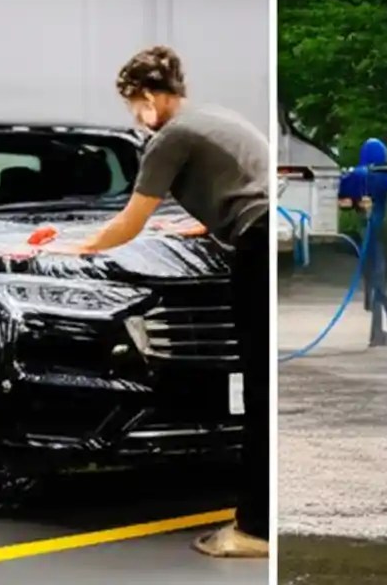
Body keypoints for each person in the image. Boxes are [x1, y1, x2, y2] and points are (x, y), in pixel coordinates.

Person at [48, 45, 270, 558]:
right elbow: (245, 184)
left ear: (147, 97)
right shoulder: (214, 117)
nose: (136, 119)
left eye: (132, 107)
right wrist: (204, 222)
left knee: (256, 392)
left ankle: (255, 529)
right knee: (260, 386)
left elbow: (128, 224)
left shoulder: (171, 136)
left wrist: (75, 244)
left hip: (253, 246)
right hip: (267, 236)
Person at [338, 137, 387, 347]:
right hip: (377, 233)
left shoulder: (354, 175)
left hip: (363, 232)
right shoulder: (383, 176)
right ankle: (385, 332)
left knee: (375, 283)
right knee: (379, 284)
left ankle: (382, 331)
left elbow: (342, 194)